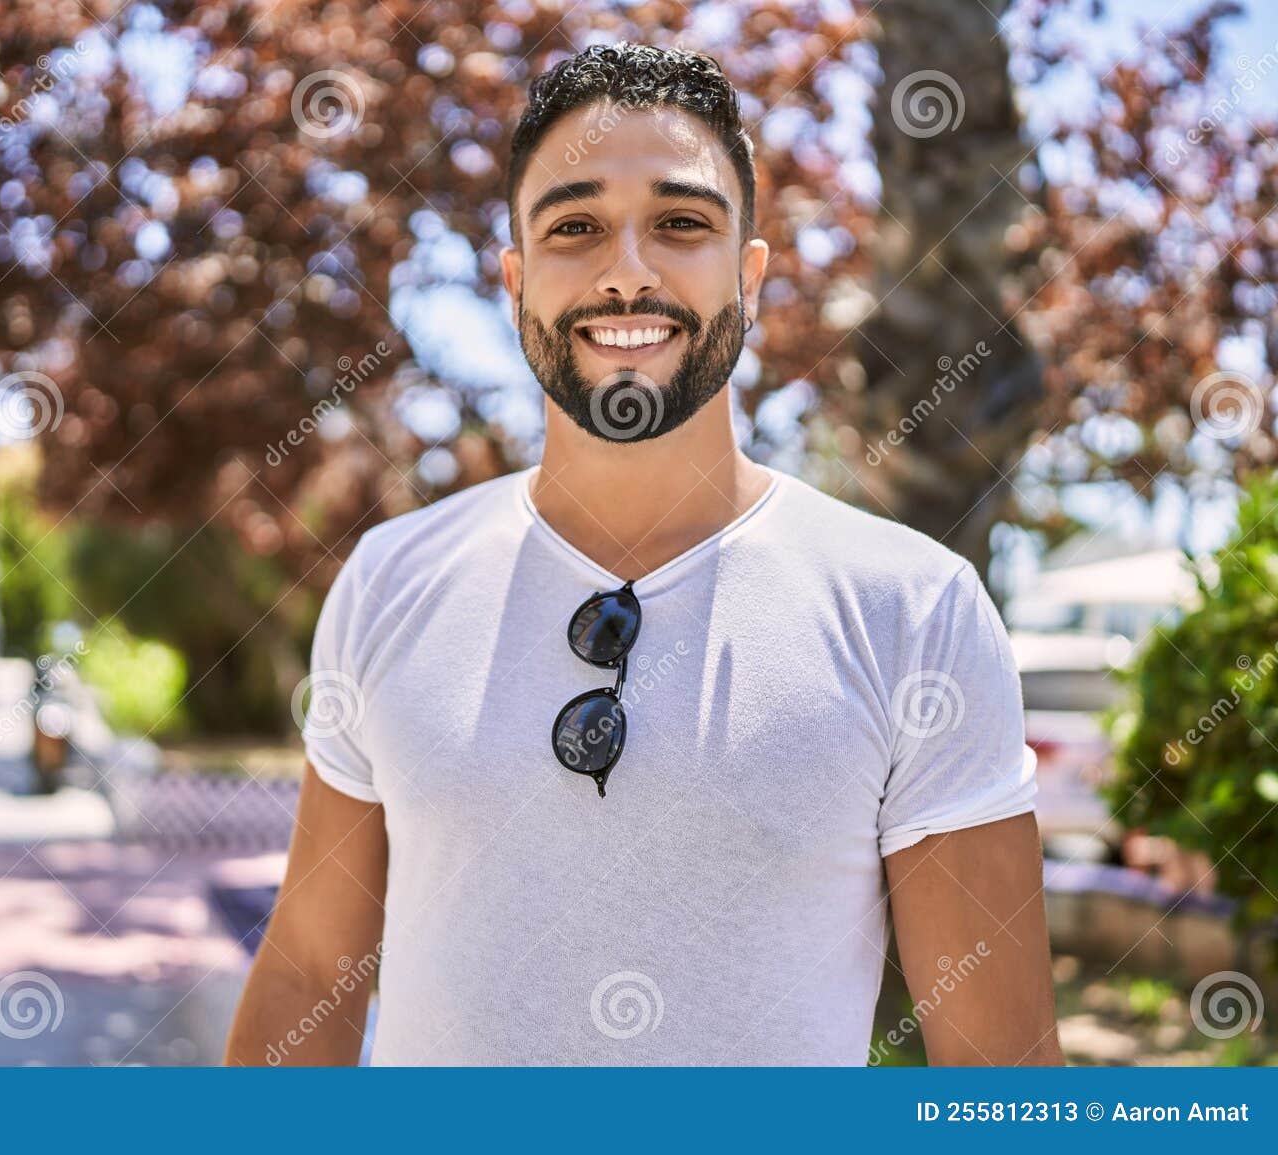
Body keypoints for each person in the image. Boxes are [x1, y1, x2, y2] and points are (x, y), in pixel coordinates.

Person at [225, 42, 1063, 1066]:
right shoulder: (392, 581)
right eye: (575, 227)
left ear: (747, 276)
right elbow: (310, 974)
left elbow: (1002, 1073)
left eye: (680, 223)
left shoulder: (914, 610)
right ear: (516, 280)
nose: (627, 271)